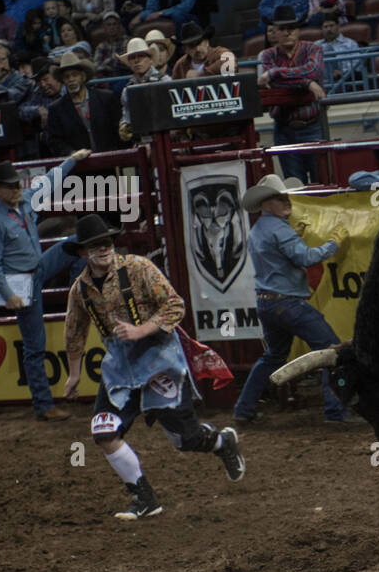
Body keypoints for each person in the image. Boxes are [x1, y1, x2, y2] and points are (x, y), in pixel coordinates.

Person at [62, 214, 245, 519]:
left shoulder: (138, 268)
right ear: (83, 252)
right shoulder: (80, 290)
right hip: (120, 366)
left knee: (184, 439)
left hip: (159, 357)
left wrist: (140, 330)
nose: (103, 249)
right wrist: (74, 373)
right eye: (95, 245)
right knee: (104, 430)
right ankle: (144, 498)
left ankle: (222, 441)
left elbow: (175, 305)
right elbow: (74, 330)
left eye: (106, 243)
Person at [0, 151, 91, 421]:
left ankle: (83, 287)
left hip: (37, 269)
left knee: (78, 242)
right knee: (34, 344)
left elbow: (50, 180)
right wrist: (8, 295)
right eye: (11, 186)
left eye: (18, 184)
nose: (18, 188)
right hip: (21, 284)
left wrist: (71, 160)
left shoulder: (25, 201)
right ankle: (43, 405)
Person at [232, 174, 352, 424]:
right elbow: (307, 259)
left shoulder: (259, 230)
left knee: (274, 356)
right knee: (331, 351)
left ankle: (244, 410)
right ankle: (336, 412)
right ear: (267, 205)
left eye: (286, 196)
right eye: (279, 197)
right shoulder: (279, 229)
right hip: (288, 304)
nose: (287, 201)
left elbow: (282, 254)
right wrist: (333, 244)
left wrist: (291, 237)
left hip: (267, 303)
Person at [257, 5, 326, 185]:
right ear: (275, 33)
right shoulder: (267, 56)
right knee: (294, 184)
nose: (287, 33)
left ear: (298, 30)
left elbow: (313, 70)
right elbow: (275, 86)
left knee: (323, 180)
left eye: (291, 28)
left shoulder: (313, 49)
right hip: (284, 129)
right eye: (282, 29)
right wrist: (307, 84)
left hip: (313, 126)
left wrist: (275, 73)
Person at [46, 50, 121, 154]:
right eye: (67, 77)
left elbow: (118, 130)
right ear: (63, 81)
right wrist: (72, 153)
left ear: (83, 76)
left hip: (110, 162)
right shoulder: (56, 109)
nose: (71, 79)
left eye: (74, 75)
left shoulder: (106, 98)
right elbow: (54, 141)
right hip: (79, 166)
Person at [117, 37, 164, 143]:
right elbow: (127, 115)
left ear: (150, 59)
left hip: (165, 137)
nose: (137, 61)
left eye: (141, 56)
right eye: (133, 57)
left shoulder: (164, 81)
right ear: (129, 63)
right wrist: (124, 126)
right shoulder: (127, 89)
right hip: (142, 139)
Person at [316, 8, 363, 82]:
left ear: (338, 26)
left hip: (347, 81)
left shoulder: (350, 44)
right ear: (321, 29)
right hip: (323, 82)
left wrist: (343, 73)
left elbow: (357, 66)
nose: (328, 29)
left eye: (331, 26)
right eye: (325, 27)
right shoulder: (316, 46)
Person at [93, 11, 131, 77]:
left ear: (119, 26)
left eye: (114, 24)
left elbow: (127, 63)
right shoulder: (101, 46)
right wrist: (112, 61)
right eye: (109, 25)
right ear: (104, 28)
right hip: (107, 79)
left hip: (124, 76)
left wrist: (106, 63)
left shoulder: (128, 42)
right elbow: (96, 66)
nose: (112, 27)